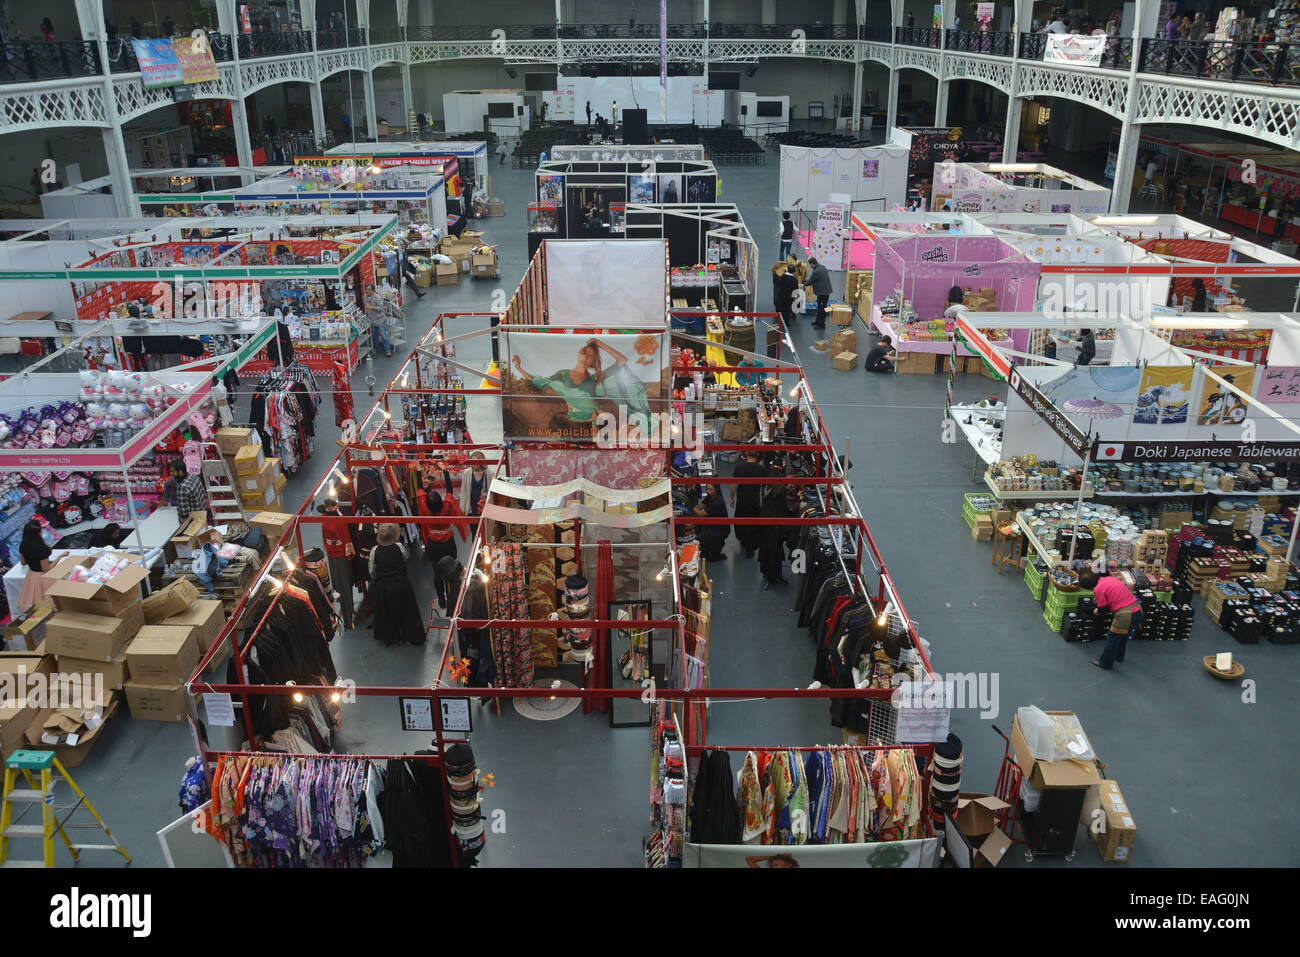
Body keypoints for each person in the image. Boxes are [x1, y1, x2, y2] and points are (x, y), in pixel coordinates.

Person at [512, 337, 649, 429]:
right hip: (570, 423)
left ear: (592, 362)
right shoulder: (563, 374)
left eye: (590, 356)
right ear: (579, 354)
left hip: (591, 424)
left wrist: (600, 343)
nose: (585, 358)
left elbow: (622, 360)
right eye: (584, 353)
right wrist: (519, 367)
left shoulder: (596, 379)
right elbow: (538, 380)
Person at [368, 524, 425, 645]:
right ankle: (410, 638)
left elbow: (371, 570)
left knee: (386, 613)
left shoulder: (374, 550)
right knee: (407, 611)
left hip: (383, 586)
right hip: (401, 583)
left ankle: (391, 639)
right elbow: (405, 558)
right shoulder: (399, 547)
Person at [416, 487, 469, 613]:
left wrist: (418, 472)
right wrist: (445, 471)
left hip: (434, 545)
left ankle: (441, 598)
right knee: (451, 571)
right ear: (440, 501)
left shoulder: (425, 509)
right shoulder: (446, 508)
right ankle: (452, 599)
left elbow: (420, 492)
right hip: (448, 544)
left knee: (437, 572)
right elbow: (450, 491)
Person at [1078, 568, 1141, 670]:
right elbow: (1112, 593)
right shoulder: (1108, 579)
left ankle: (1105, 663)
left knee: (1112, 639)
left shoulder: (1098, 589)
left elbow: (1103, 610)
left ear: (1088, 587)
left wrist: (1096, 610)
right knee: (1123, 637)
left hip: (1124, 616)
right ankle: (1118, 656)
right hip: (1137, 610)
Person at [320, 500, 356, 631]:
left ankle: (348, 616)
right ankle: (345, 609)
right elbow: (345, 537)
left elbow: (345, 537)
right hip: (333, 552)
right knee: (337, 583)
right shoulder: (329, 517)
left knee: (344, 583)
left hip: (339, 553)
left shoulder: (335, 518)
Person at [730, 450, 767, 558]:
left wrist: (731, 498)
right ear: (757, 455)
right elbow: (765, 487)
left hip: (742, 501)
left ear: (746, 454)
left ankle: (743, 540)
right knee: (753, 525)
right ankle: (750, 548)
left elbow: (734, 484)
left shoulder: (739, 467)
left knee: (740, 521)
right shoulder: (761, 469)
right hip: (754, 501)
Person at [757, 484, 789, 590]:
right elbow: (784, 508)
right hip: (776, 526)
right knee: (775, 550)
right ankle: (774, 574)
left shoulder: (765, 488)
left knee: (767, 549)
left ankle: (768, 572)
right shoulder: (780, 490)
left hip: (766, 525)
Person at [693, 484, 730, 561]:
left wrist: (692, 508)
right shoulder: (710, 497)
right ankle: (707, 550)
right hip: (714, 526)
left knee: (701, 536)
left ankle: (714, 553)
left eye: (711, 489)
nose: (708, 491)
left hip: (720, 530)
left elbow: (700, 514)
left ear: (716, 490)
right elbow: (700, 506)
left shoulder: (717, 502)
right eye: (707, 489)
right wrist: (695, 509)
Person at [458, 450, 490, 517]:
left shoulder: (489, 474)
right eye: (472, 461)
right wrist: (462, 509)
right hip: (471, 508)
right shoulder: (467, 473)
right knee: (473, 527)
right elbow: (463, 492)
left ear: (481, 462)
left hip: (484, 508)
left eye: (476, 461)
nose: (473, 464)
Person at [364, 283, 392, 356]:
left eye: (368, 290)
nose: (366, 291)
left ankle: (388, 350)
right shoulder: (365, 297)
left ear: (373, 291)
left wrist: (372, 307)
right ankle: (376, 348)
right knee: (374, 335)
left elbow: (380, 308)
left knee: (383, 335)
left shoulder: (377, 297)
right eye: (366, 289)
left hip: (380, 320)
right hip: (372, 320)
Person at [807, 257, 832, 329]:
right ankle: (817, 321)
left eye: (810, 265)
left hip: (823, 293)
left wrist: (803, 285)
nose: (810, 267)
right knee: (820, 307)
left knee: (822, 309)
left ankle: (821, 325)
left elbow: (811, 281)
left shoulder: (816, 271)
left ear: (812, 264)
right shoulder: (822, 267)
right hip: (824, 291)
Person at [773, 262, 799, 327]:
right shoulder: (794, 279)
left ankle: (781, 320)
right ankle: (786, 322)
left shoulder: (783, 276)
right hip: (789, 297)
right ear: (793, 271)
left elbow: (779, 286)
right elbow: (796, 289)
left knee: (782, 308)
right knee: (788, 310)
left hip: (782, 296)